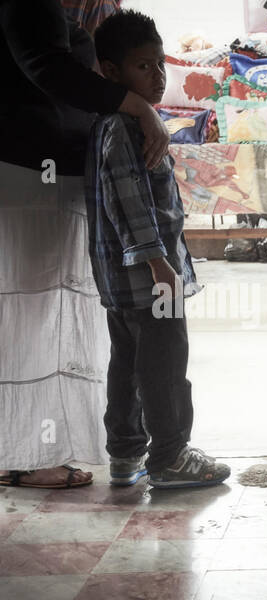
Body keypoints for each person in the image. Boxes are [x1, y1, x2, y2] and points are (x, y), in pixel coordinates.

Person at [0, 0, 170, 490]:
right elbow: (46, 68)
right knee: (29, 318)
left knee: (43, 317)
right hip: (29, 172)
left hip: (42, 175)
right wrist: (136, 106)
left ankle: (33, 451)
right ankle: (22, 457)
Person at [86, 9, 229, 489]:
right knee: (165, 364)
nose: (157, 76)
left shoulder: (114, 126)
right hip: (150, 277)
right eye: (142, 67)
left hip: (124, 281)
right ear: (110, 72)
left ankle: (126, 456)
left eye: (159, 64)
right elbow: (128, 200)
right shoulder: (126, 129)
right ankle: (169, 456)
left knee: (126, 363)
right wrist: (157, 262)